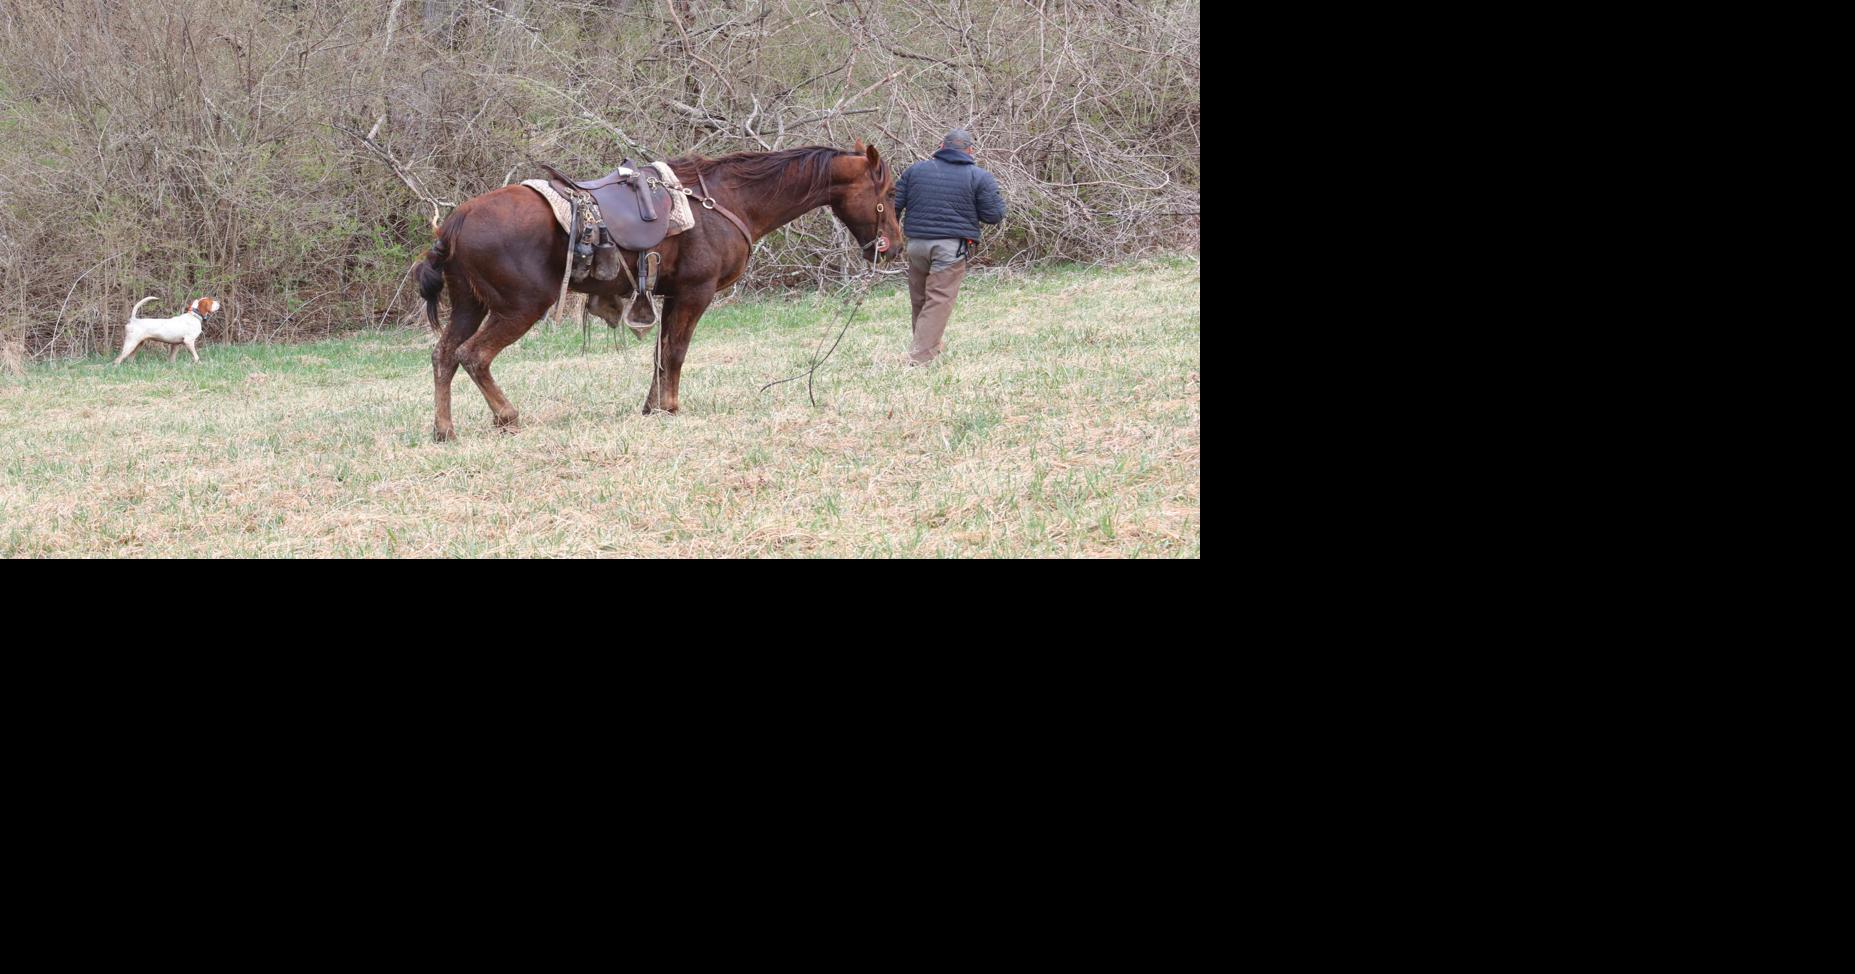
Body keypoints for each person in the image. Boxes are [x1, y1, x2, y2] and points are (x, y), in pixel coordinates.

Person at [892, 128, 1005, 365]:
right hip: (949, 248)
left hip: (916, 245)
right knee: (938, 300)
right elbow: (994, 215)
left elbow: (893, 207)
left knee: (920, 298)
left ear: (941, 147)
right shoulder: (979, 177)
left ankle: (926, 346)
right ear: (970, 150)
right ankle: (921, 357)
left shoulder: (915, 171)